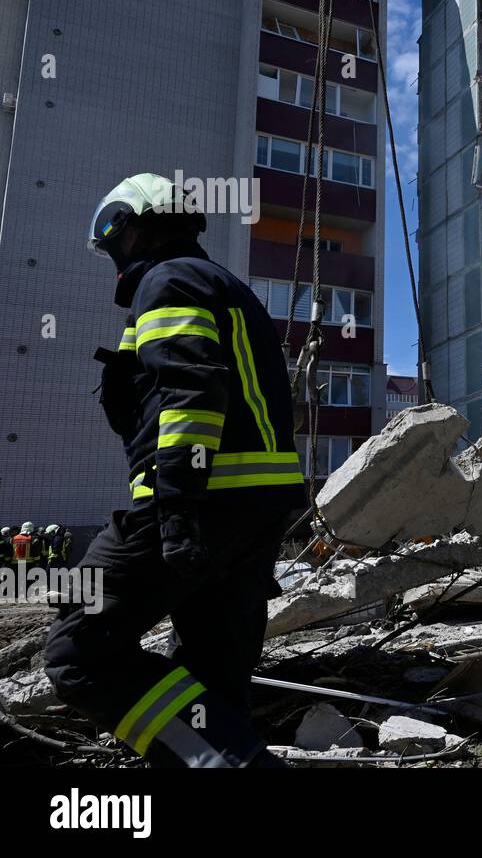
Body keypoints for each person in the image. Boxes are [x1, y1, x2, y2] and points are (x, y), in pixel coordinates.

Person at [43, 172, 307, 768]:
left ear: (144, 224)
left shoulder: (167, 281)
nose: (111, 245)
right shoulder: (224, 285)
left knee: (78, 651)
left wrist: (178, 507)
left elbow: (193, 390)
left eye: (115, 229)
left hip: (199, 504)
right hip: (254, 512)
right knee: (214, 673)